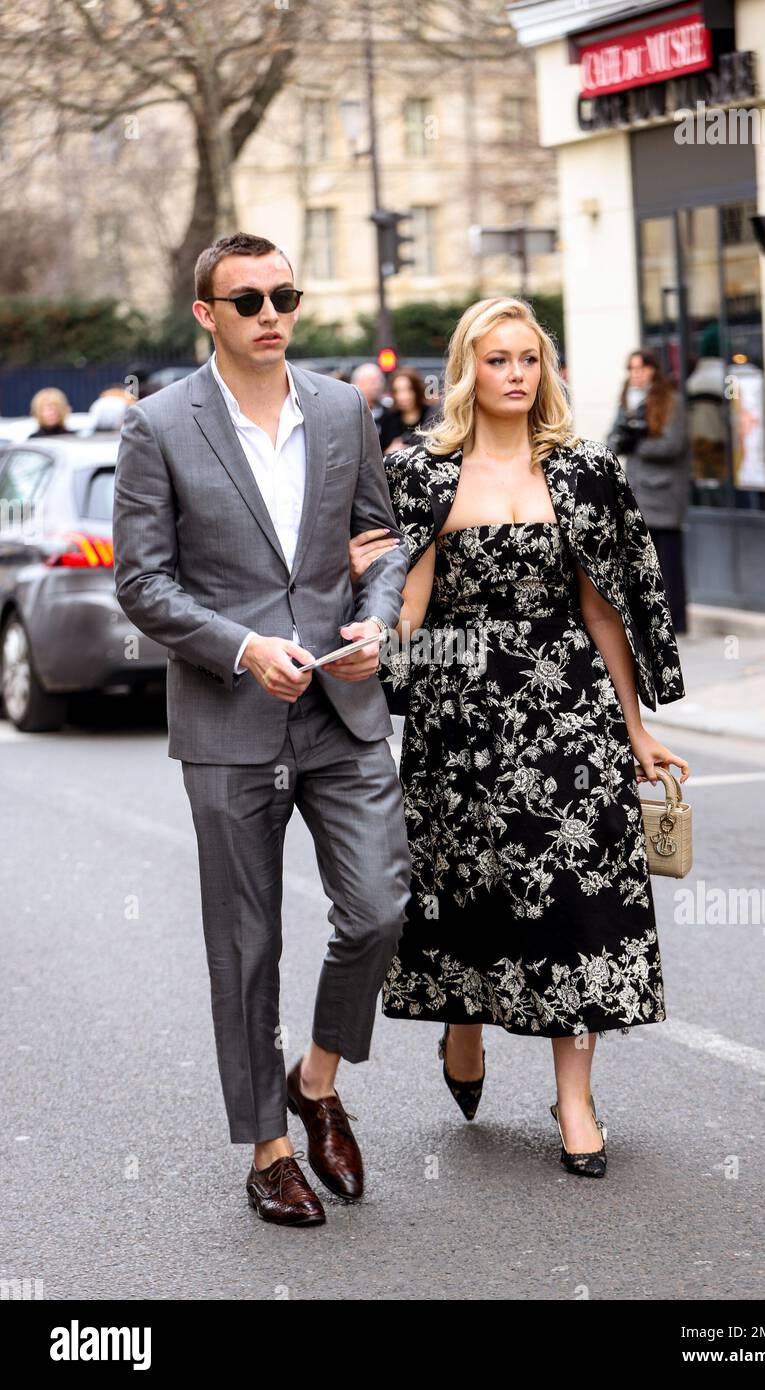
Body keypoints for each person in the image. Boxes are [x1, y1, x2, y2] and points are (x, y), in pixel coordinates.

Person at [350, 296, 688, 1180]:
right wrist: (370, 649)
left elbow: (603, 609)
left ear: (545, 368)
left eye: (528, 358)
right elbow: (411, 603)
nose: (515, 374)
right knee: (469, 887)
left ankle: (573, 1099)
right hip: (458, 713)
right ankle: (464, 1024)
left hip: (566, 706)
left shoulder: (583, 469)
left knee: (576, 895)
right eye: (497, 359)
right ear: (468, 369)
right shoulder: (421, 472)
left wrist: (634, 729)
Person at [112, 232, 411, 1228]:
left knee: (378, 909)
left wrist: (376, 620)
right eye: (248, 300)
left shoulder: (342, 407)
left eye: (284, 295)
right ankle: (269, 1151)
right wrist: (242, 648)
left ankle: (315, 1079)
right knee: (246, 946)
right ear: (207, 313)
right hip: (229, 718)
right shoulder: (158, 425)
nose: (271, 313)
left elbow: (378, 542)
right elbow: (142, 583)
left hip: (341, 706)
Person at [607, 349, 690, 634]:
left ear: (654, 370)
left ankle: (676, 622)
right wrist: (625, 437)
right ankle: (650, 620)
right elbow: (612, 441)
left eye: (641, 368)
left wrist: (637, 442)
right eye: (631, 369)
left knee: (668, 563)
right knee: (640, 562)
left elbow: (672, 445)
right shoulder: (627, 401)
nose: (636, 374)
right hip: (637, 495)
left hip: (665, 495)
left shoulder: (672, 401)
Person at [382, 366, 440, 453]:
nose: (402, 396)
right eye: (397, 391)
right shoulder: (388, 420)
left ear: (416, 390)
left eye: (408, 389)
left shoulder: (431, 416)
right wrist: (389, 452)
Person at [350, 362, 401, 452]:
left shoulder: (390, 413)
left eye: (379, 381)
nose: (377, 385)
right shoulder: (348, 413)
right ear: (357, 384)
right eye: (372, 382)